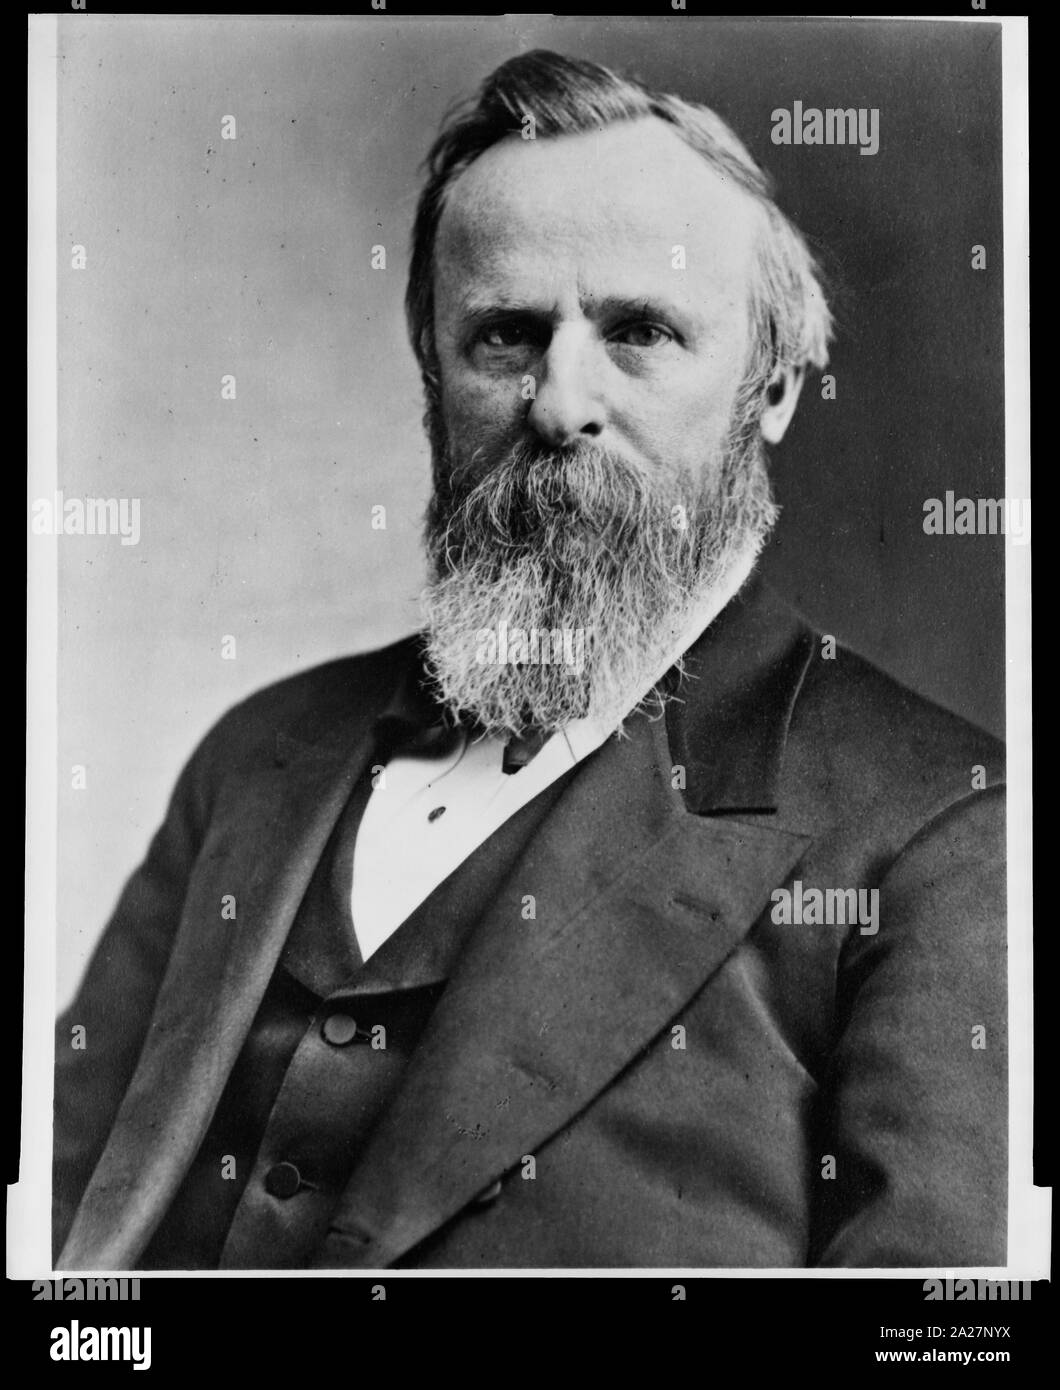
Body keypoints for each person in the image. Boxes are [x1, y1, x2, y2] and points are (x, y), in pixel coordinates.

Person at [53, 49, 1006, 1270]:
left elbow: (931, 1338)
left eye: (640, 332)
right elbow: (58, 1199)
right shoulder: (261, 751)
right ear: (430, 374)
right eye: (506, 334)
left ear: (770, 388)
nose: (559, 405)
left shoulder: (942, 835)